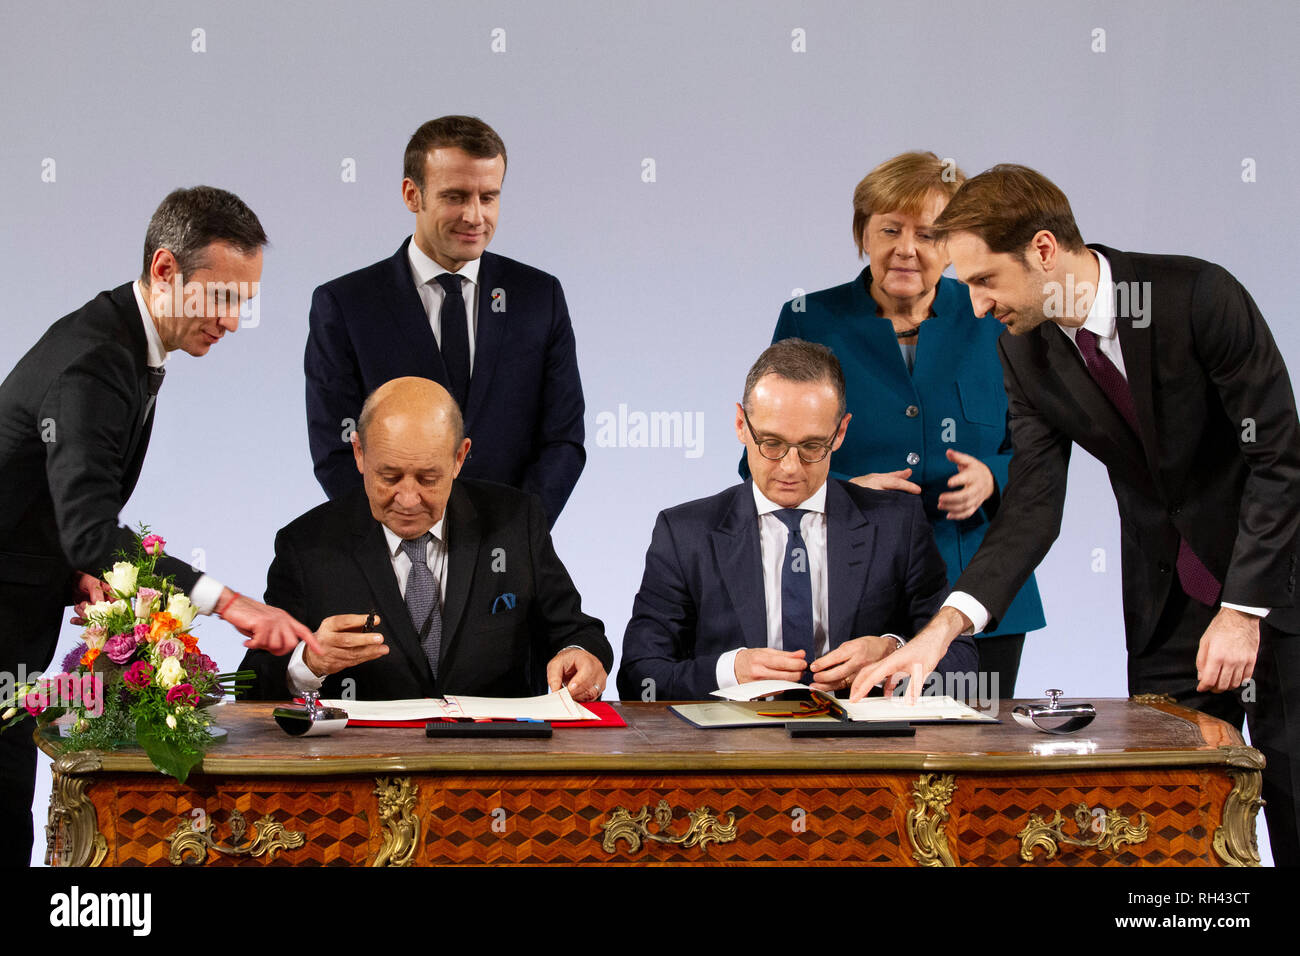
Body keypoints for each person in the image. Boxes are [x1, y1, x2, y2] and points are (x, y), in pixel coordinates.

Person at [851, 163, 1300, 865]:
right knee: (1173, 827)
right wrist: (943, 628)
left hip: (1274, 591)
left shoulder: (1199, 297)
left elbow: (1279, 459)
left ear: (1042, 250)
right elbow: (1033, 502)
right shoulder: (1023, 349)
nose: (973, 306)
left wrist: (1244, 609)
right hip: (1166, 610)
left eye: (983, 280)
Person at [0, 185, 316, 866]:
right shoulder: (95, 361)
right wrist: (225, 602)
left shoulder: (117, 338)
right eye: (224, 299)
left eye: (245, 303)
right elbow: (90, 530)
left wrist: (76, 571)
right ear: (167, 270)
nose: (234, 322)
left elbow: (57, 512)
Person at [751, 151, 1044, 696]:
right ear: (863, 233)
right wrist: (838, 491)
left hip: (978, 584)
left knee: (976, 757)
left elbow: (1039, 447)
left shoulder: (994, 315)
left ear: (954, 245)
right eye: (889, 229)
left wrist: (994, 477)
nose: (906, 249)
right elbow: (764, 452)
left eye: (930, 234)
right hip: (854, 587)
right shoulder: (808, 319)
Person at [617, 339, 977, 701]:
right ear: (741, 424)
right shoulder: (684, 533)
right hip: (732, 752)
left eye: (811, 447)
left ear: (840, 433)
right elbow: (638, 676)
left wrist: (892, 653)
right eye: (771, 444)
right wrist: (731, 671)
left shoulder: (897, 525)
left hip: (861, 749)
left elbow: (963, 662)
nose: (790, 468)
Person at [241, 377, 611, 703]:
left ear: (459, 458)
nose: (407, 498)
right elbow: (251, 684)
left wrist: (580, 655)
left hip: (495, 765)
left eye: (428, 479)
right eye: (389, 476)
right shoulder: (306, 545)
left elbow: (576, 631)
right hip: (363, 767)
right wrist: (308, 663)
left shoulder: (515, 521)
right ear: (359, 453)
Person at [305, 115, 586, 529]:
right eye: (455, 196)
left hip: (509, 564)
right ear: (411, 194)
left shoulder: (538, 297)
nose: (474, 216)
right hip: (391, 563)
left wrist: (514, 539)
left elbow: (563, 440)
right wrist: (401, 541)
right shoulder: (346, 305)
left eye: (488, 197)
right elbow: (338, 449)